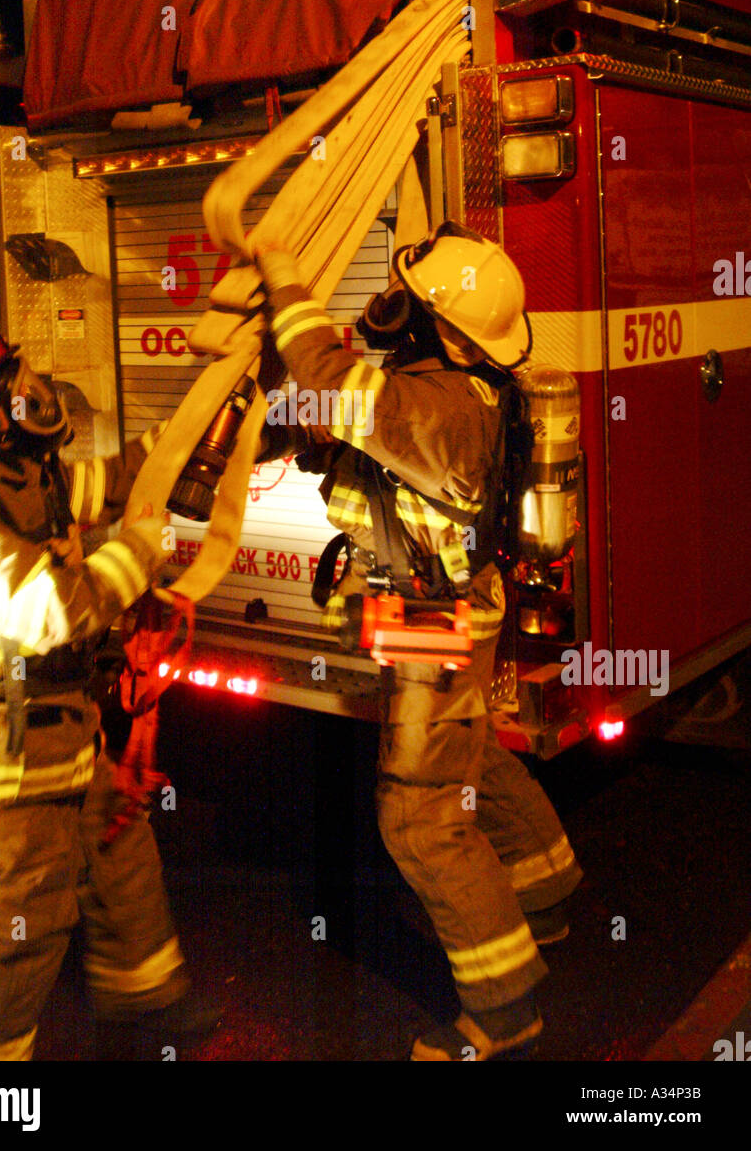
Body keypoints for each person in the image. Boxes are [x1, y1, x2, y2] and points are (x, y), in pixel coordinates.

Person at [254, 224, 582, 1061]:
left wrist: (289, 287)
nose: (389, 307)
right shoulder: (447, 386)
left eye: (408, 297)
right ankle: (545, 894)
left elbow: (340, 394)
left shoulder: (436, 407)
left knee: (421, 817)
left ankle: (504, 1016)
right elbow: (339, 417)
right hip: (451, 605)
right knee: (472, 756)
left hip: (435, 619)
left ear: (437, 319)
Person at [0, 305, 220, 1061]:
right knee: (26, 917)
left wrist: (204, 429)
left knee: (119, 847)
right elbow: (52, 609)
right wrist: (139, 552)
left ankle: (144, 989)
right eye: (12, 382)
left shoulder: (19, 480)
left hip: (56, 735)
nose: (29, 393)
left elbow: (118, 477)